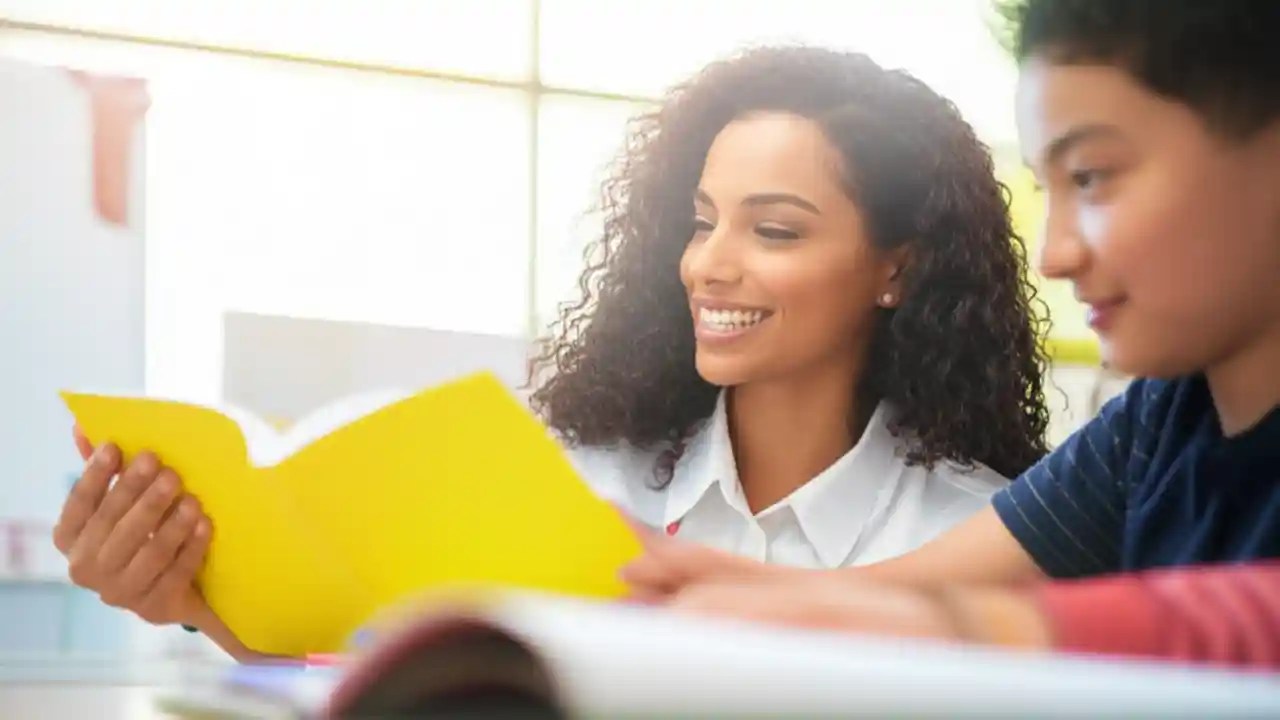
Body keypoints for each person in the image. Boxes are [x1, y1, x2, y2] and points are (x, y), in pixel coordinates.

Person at [53, 46, 1051, 660]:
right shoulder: (568, 476)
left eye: (774, 230)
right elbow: (377, 667)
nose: (709, 263)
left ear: (896, 270)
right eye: (701, 220)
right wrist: (196, 602)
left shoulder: (991, 541)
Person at [626, 0, 1280, 668]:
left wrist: (973, 628)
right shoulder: (1157, 424)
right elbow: (875, 596)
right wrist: (650, 567)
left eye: (1091, 177)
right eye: (1048, 188)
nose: (1054, 255)